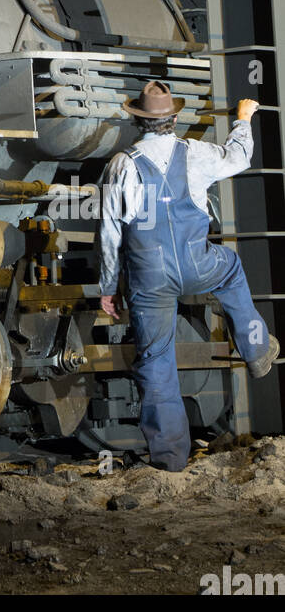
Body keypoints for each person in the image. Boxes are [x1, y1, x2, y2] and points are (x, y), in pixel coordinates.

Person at [98, 82, 279, 471]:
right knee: (230, 270)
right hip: (198, 264)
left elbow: (110, 233)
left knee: (156, 360)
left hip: (149, 279)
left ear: (137, 120)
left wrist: (109, 288)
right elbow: (239, 157)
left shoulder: (120, 164)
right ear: (175, 119)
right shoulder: (195, 153)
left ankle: (169, 461)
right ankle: (257, 349)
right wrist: (243, 119)